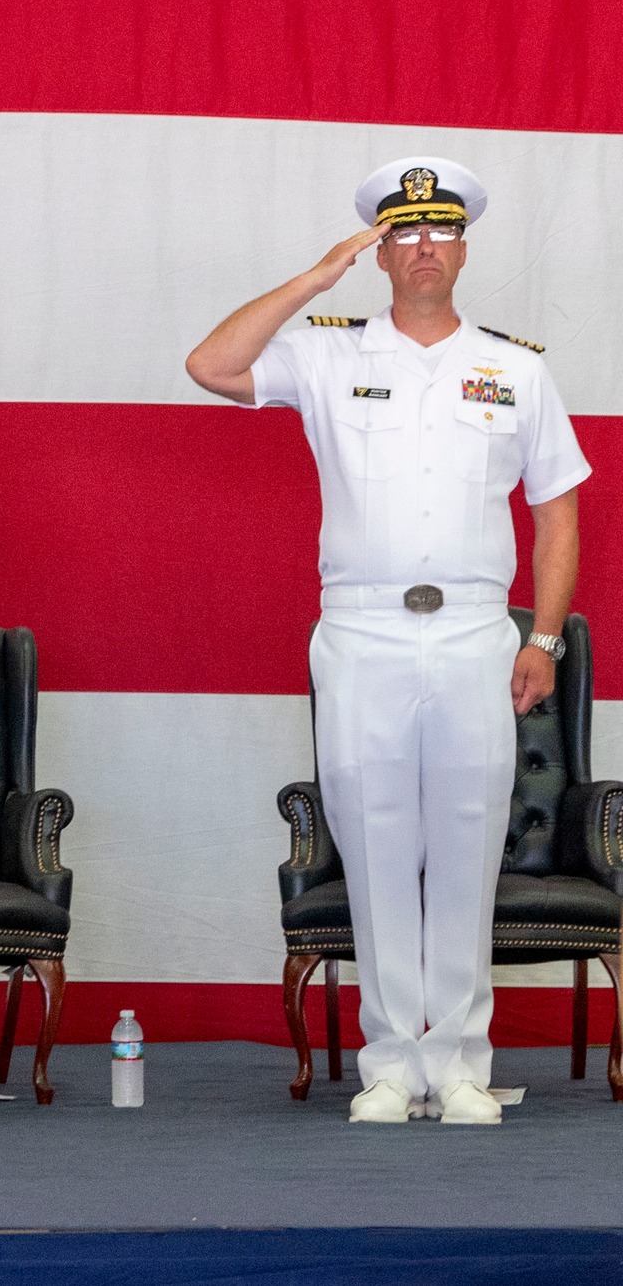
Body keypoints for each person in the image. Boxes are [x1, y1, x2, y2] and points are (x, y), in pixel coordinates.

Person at [186, 157, 588, 1127]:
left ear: (461, 247)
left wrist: (541, 636)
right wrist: (311, 278)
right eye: (399, 233)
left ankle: (457, 1062)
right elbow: (210, 364)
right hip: (360, 629)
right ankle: (384, 1063)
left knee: (462, 843)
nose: (420, 248)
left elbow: (559, 513)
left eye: (437, 231)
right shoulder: (327, 352)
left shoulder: (512, 368)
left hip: (471, 632)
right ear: (378, 250)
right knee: (370, 844)